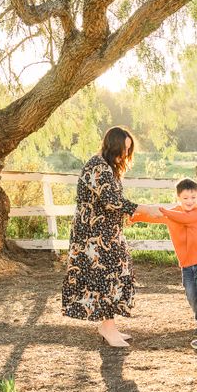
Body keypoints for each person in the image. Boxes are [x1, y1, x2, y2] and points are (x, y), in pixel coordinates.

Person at [61, 126, 162, 348]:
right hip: (93, 236)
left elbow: (112, 203)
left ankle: (109, 326)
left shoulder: (107, 167)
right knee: (105, 277)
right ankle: (107, 328)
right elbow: (111, 202)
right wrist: (144, 208)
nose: (125, 154)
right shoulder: (98, 167)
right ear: (111, 145)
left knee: (114, 274)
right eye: (123, 148)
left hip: (108, 233)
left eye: (128, 149)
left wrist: (130, 214)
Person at [131, 178, 197, 350]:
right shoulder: (172, 214)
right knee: (193, 299)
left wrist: (163, 210)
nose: (190, 201)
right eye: (185, 198)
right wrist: (136, 218)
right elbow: (154, 218)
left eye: (193, 197)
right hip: (186, 265)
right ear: (178, 198)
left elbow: (183, 219)